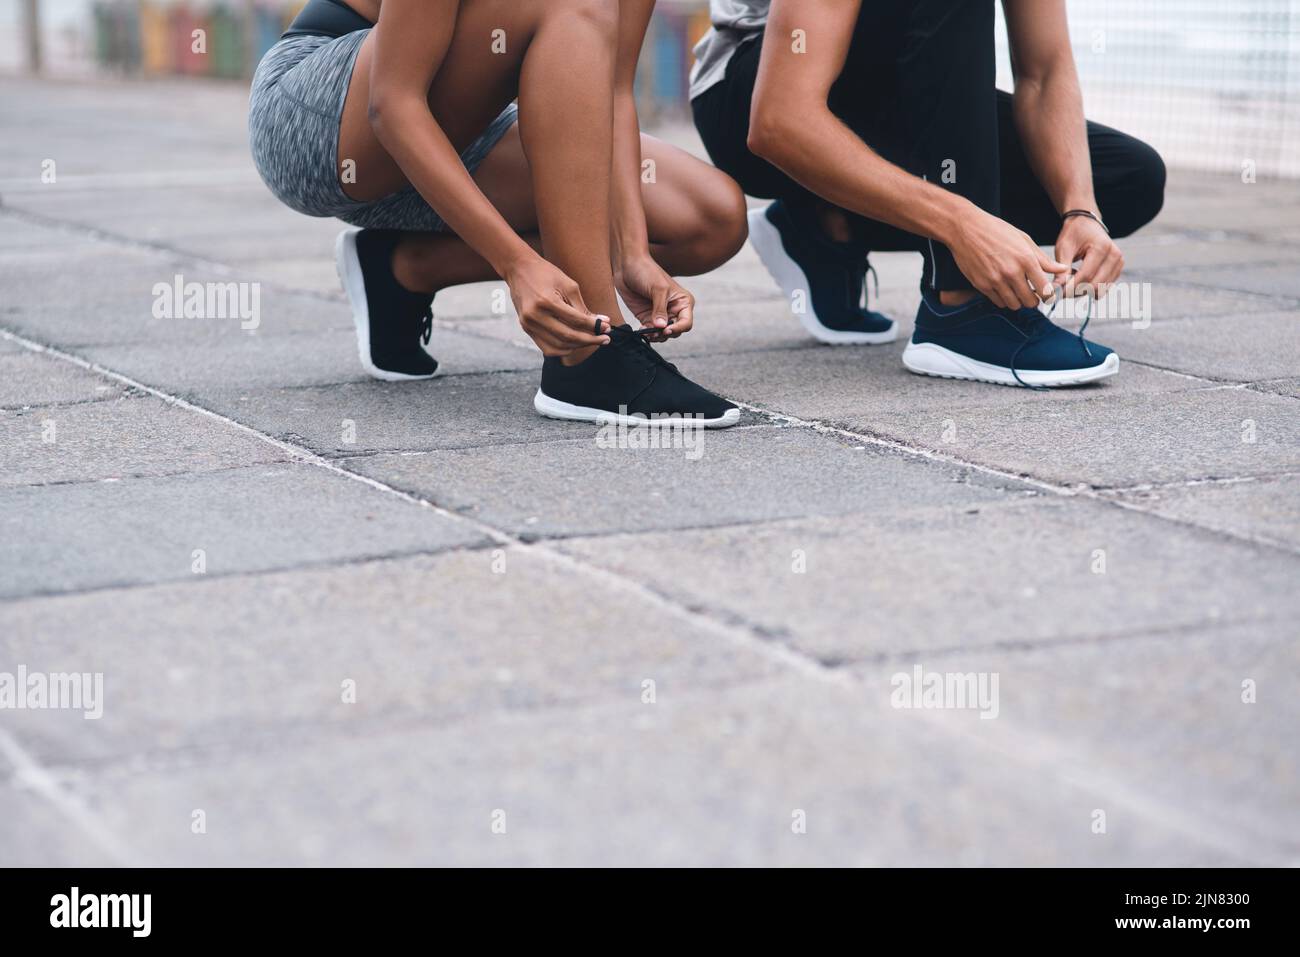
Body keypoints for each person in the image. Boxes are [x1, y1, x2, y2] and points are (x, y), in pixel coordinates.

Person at [249, 0, 749, 426]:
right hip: (327, 117)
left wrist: (631, 251)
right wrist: (515, 264)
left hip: (457, 125)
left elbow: (612, 89)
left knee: (706, 218)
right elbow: (393, 103)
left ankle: (403, 269)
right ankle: (588, 355)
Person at [691, 0, 1167, 387]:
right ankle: (961, 305)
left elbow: (1042, 74)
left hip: (879, 94)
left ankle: (824, 225)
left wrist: (1079, 210)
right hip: (754, 90)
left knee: (1126, 179)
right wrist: (962, 224)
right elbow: (778, 122)